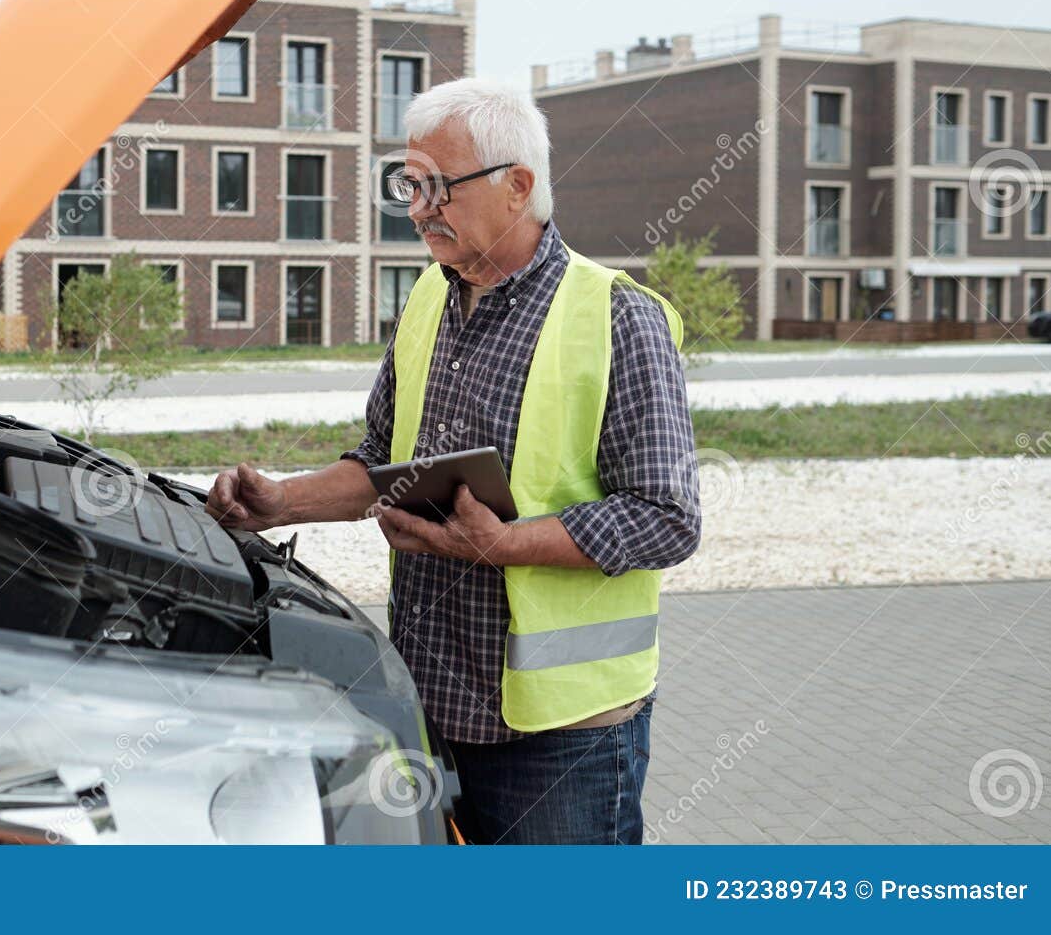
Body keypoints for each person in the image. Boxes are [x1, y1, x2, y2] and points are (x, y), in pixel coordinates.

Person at [206, 77, 701, 844]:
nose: (417, 206)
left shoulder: (616, 317)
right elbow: (381, 462)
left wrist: (502, 545)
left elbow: (667, 517)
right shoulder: (429, 301)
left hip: (563, 737)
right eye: (410, 183)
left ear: (519, 186)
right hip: (430, 704)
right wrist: (280, 502)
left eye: (439, 186)